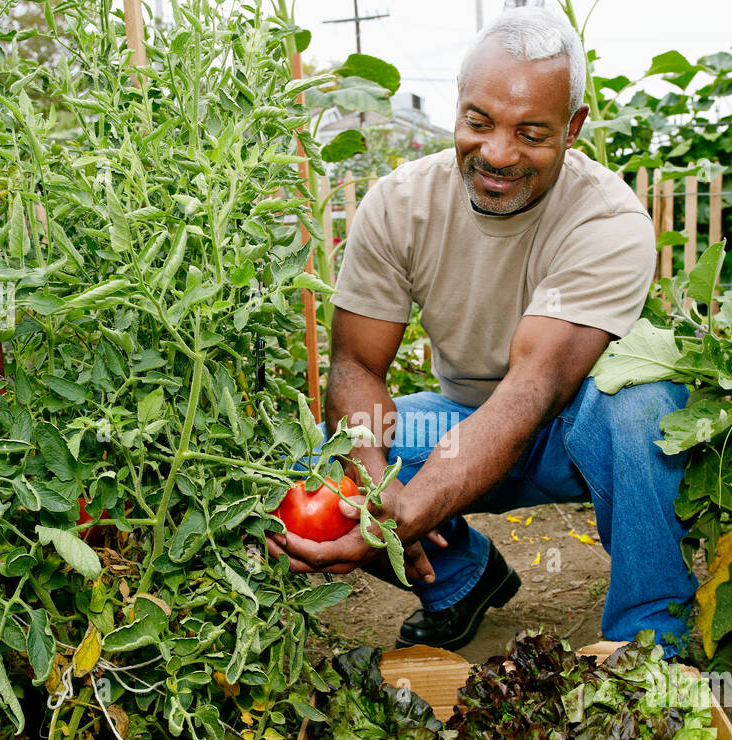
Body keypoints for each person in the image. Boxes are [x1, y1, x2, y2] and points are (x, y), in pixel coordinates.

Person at [266, 7, 696, 654]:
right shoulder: (400, 204)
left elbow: (537, 388)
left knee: (644, 409)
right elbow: (357, 368)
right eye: (478, 122)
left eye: (531, 132)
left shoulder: (608, 221)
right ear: (458, 106)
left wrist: (409, 513)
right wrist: (377, 495)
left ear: (574, 128)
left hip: (573, 431)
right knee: (321, 469)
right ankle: (464, 581)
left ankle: (649, 647)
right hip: (457, 424)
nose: (498, 153)